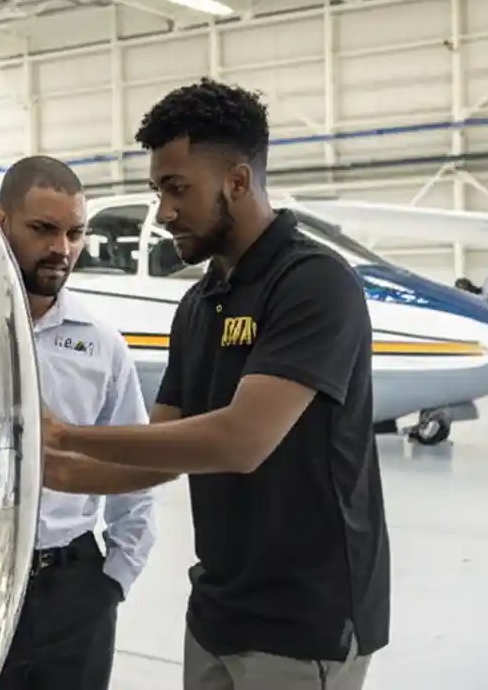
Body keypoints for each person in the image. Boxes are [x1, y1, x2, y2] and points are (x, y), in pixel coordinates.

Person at [39, 79, 390, 689]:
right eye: (158, 191)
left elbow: (239, 441)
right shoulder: (199, 304)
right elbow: (164, 447)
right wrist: (53, 470)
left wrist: (71, 436)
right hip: (218, 607)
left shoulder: (312, 284)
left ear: (236, 181)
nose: (165, 211)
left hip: (306, 617)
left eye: (177, 190)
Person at [0, 155, 155, 690]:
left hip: (74, 587)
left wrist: (113, 581)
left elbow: (134, 461)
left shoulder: (100, 343)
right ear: (1, 223)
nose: (62, 248)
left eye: (74, 232)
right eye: (43, 229)